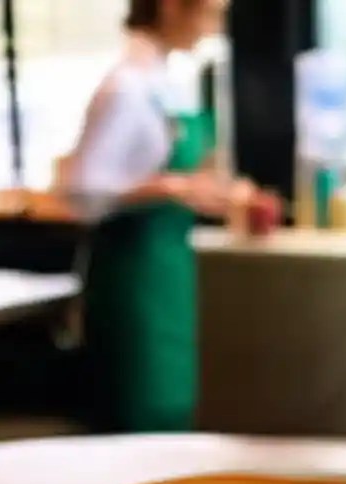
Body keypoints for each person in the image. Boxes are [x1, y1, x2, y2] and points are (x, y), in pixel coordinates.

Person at [67, 0, 230, 433]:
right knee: (136, 415)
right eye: (211, 13)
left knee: (173, 410)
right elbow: (81, 190)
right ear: (172, 6)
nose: (214, 29)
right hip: (132, 278)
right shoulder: (125, 87)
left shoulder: (166, 84)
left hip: (170, 273)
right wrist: (172, 188)